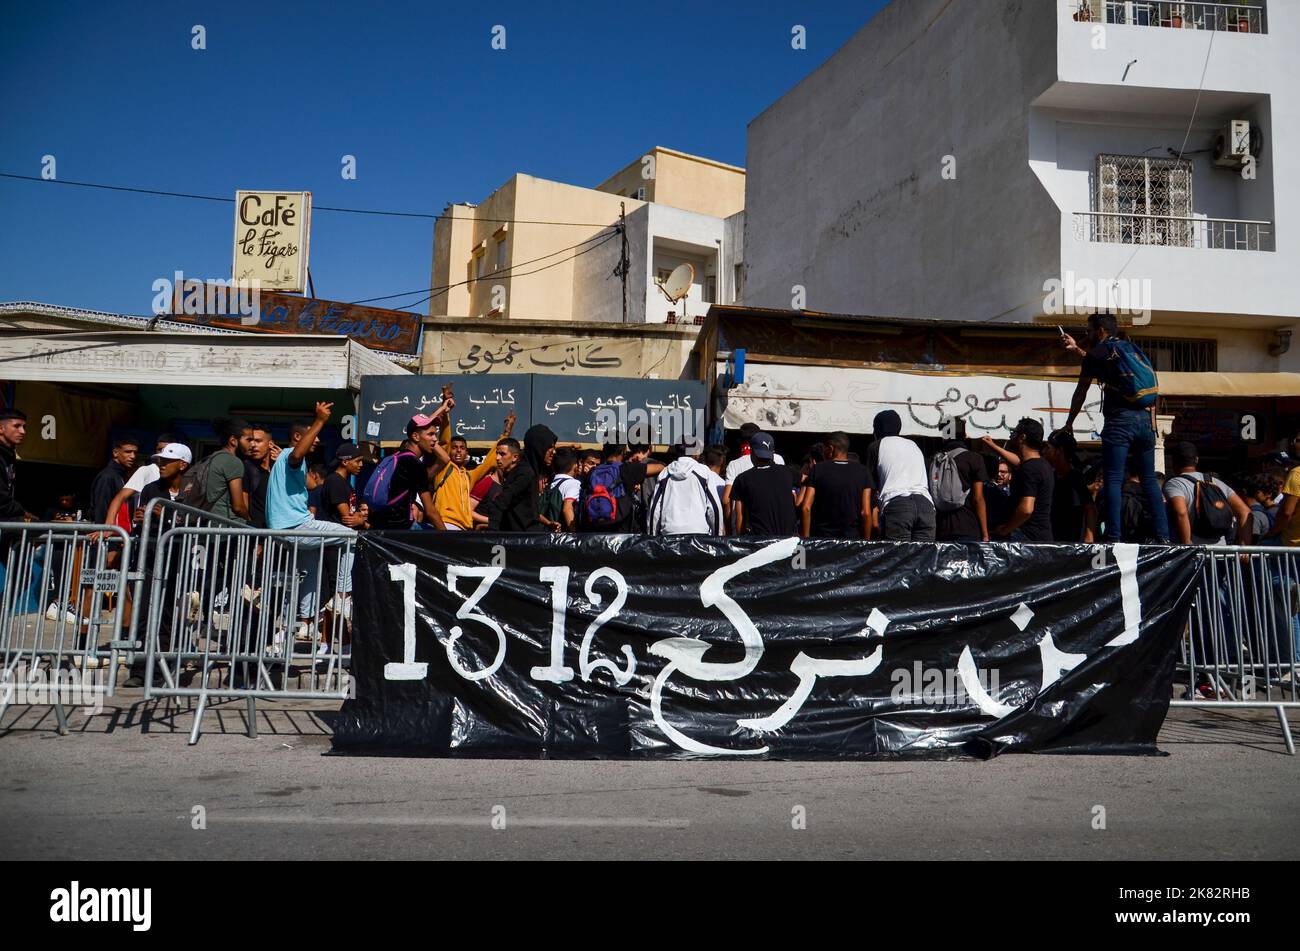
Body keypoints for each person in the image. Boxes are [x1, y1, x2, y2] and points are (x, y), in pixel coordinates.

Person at [1059, 314, 1169, 543]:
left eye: (1089, 331)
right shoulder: (1130, 348)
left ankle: (1114, 536)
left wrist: (1069, 422)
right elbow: (1099, 362)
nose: (1086, 336)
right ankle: (1163, 537)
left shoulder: (1097, 354)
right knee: (1149, 479)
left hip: (1120, 421)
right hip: (1145, 420)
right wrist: (1076, 349)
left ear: (1100, 331)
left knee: (1114, 478)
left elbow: (1081, 391)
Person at [266, 404, 357, 653]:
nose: (317, 440)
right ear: (298, 437)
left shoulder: (287, 461)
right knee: (353, 537)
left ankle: (303, 623)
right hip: (297, 526)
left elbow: (310, 483)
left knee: (309, 570)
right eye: (313, 436)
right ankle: (342, 597)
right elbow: (295, 456)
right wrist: (319, 420)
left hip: (287, 530)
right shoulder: (291, 456)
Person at [122, 443, 192, 688]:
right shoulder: (151, 488)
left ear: (182, 465)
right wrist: (142, 519)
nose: (160, 465)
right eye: (159, 461)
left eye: (166, 461)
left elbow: (194, 522)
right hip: (150, 559)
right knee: (143, 614)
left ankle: (162, 668)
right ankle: (140, 670)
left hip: (179, 563)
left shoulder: (193, 490)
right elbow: (144, 521)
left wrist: (166, 517)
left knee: (168, 616)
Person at [428, 412, 515, 531]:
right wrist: (446, 413)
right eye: (454, 448)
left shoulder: (469, 475)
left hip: (464, 528)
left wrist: (506, 434)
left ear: (466, 454)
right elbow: (445, 441)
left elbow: (489, 461)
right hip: (445, 523)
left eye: (462, 448)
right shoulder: (443, 468)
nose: (458, 451)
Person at [365, 409, 449, 531]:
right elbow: (430, 512)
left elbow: (444, 459)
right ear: (415, 436)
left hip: (379, 527)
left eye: (435, 434)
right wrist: (449, 540)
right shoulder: (415, 464)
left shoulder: (393, 458)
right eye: (431, 434)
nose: (435, 439)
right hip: (401, 529)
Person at [1163, 442, 1251, 546]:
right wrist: (1245, 547)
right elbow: (1245, 511)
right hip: (1220, 552)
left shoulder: (1174, 484)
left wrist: (1186, 545)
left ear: (1173, 462)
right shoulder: (1216, 482)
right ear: (1196, 460)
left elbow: (1181, 512)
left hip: (1197, 553)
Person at [866, 411, 935, 542]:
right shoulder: (914, 445)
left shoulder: (876, 446)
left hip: (897, 506)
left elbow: (870, 486)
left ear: (878, 428)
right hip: (926, 506)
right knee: (924, 558)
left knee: (899, 559)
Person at [801, 431, 873, 539]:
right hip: (852, 538)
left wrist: (806, 539)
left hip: (822, 537)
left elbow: (806, 507)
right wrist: (866, 542)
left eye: (824, 449)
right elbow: (866, 512)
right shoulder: (863, 471)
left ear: (830, 448)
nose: (823, 453)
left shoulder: (817, 469)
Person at [992, 418, 1055, 542]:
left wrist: (1006, 529)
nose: (1012, 438)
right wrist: (993, 446)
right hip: (1040, 537)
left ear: (1022, 438)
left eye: (1015, 434)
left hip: (1027, 539)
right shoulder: (1042, 465)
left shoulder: (1030, 469)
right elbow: (1019, 462)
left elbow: (1026, 509)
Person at [579, 443, 663, 533]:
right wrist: (640, 461)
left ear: (603, 450)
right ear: (624, 451)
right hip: (621, 534)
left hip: (594, 533)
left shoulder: (592, 472)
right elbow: (661, 467)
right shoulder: (627, 469)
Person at [105, 432, 184, 529]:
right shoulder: (146, 470)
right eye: (160, 450)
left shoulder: (188, 483)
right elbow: (119, 498)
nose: (162, 454)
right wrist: (108, 527)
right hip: (146, 533)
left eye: (167, 451)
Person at [931, 419, 989, 543]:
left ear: (944, 437)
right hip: (968, 527)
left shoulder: (935, 460)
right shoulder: (974, 458)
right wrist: (985, 533)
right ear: (965, 436)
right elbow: (978, 499)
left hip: (941, 528)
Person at [731, 432, 799, 536]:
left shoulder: (743, 479)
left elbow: (739, 516)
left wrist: (741, 540)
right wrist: (798, 503)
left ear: (752, 453)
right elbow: (807, 479)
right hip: (788, 541)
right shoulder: (788, 472)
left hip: (759, 542)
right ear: (772, 453)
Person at [647, 446, 724, 536]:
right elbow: (714, 507)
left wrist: (652, 536)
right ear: (696, 453)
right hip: (698, 534)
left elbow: (654, 509)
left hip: (670, 534)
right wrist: (718, 536)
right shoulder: (704, 472)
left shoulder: (665, 473)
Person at [723, 422, 786, 521]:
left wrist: (727, 529)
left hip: (744, 525)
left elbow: (726, 500)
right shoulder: (778, 459)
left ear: (740, 441)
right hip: (776, 520)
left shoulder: (734, 464)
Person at [483, 438, 544, 532]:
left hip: (524, 536)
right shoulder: (509, 474)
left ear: (515, 457)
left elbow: (503, 500)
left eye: (502, 454)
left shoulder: (524, 474)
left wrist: (492, 534)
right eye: (497, 453)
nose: (497, 458)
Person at [1043, 431, 1090, 543]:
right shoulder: (1051, 476)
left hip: (1070, 546)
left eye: (1049, 448)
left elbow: (1091, 509)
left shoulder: (1075, 478)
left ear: (1059, 451)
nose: (1045, 451)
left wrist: (1089, 538)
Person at [203, 418, 250, 523]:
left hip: (207, 525)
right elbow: (238, 506)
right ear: (233, 441)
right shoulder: (233, 462)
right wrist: (249, 521)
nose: (252, 445)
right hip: (226, 529)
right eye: (248, 440)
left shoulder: (211, 458)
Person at [89, 436, 138, 524]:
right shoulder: (107, 476)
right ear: (115, 453)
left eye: (135, 452)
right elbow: (101, 508)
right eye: (128, 452)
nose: (133, 456)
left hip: (120, 531)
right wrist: (102, 531)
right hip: (108, 533)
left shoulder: (123, 475)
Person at [319, 444, 369, 529]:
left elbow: (355, 513)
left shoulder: (344, 482)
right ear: (345, 462)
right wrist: (363, 523)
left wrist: (360, 518)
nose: (361, 464)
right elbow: (349, 519)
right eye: (358, 461)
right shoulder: (335, 481)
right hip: (337, 537)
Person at [240, 424, 277, 529]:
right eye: (250, 441)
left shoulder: (277, 467)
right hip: (257, 533)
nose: (253, 445)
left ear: (271, 444)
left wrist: (284, 460)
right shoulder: (246, 467)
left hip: (279, 533)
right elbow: (243, 506)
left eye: (258, 441)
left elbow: (312, 485)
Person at [544, 447, 583, 532]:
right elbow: (567, 508)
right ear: (575, 466)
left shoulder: (549, 484)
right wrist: (575, 535)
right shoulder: (573, 483)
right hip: (565, 536)